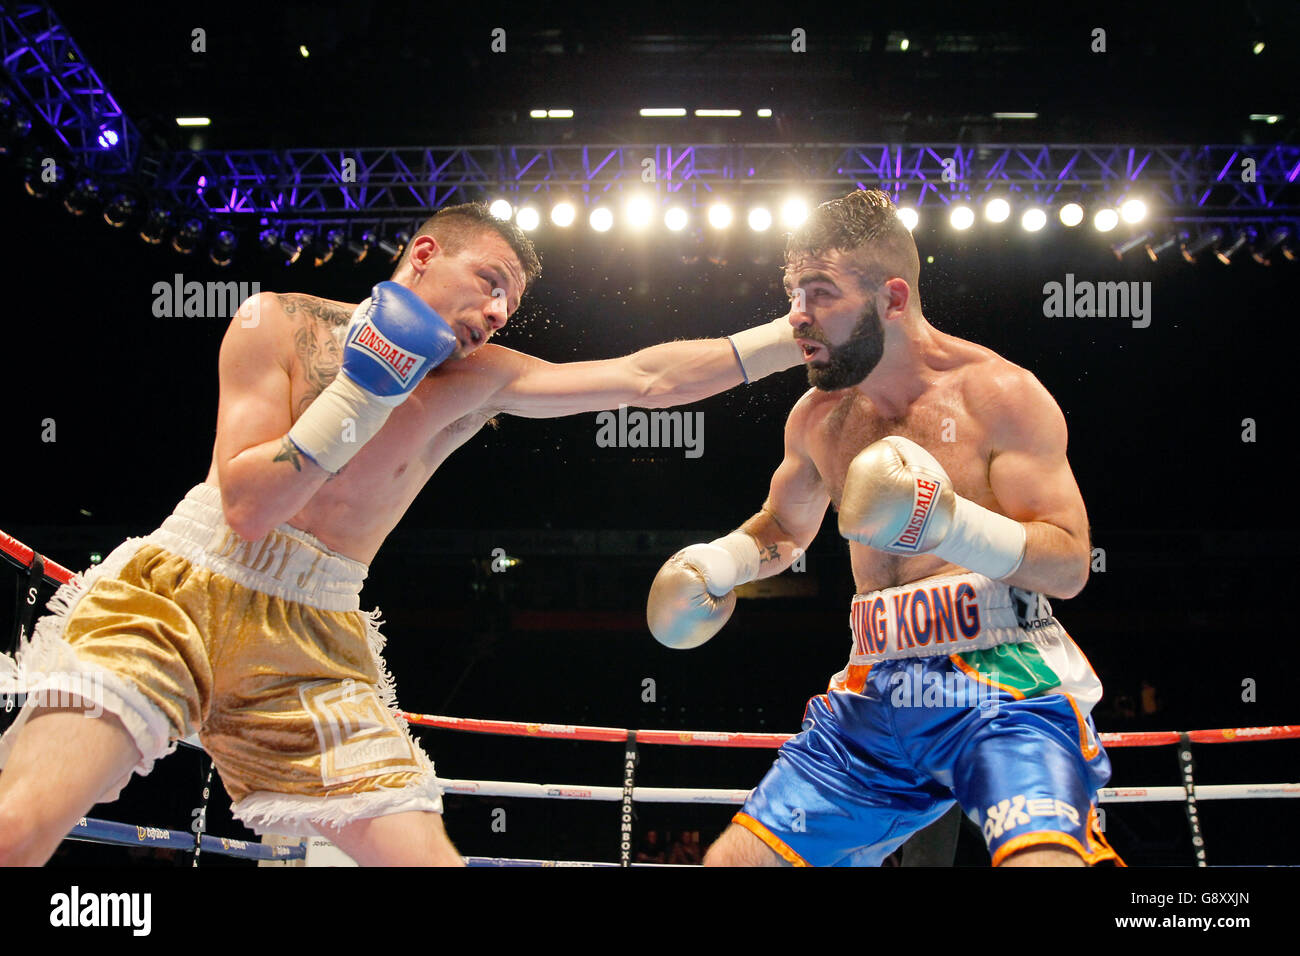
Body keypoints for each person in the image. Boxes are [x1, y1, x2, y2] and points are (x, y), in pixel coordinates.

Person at [0, 201, 803, 867]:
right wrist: (361, 393)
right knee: (19, 827)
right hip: (186, 589)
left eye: (510, 305)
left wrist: (787, 336)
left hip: (312, 638)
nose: (496, 313)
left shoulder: (481, 381)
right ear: (423, 254)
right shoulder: (276, 322)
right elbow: (246, 509)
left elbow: (643, 378)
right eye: (489, 283)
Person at [647, 189, 1122, 867]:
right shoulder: (818, 417)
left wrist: (948, 524)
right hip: (872, 699)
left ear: (893, 300)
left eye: (819, 293)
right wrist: (720, 564)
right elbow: (785, 525)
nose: (796, 316)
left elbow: (1070, 563)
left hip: (1004, 688)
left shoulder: (1000, 395)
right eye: (792, 291)